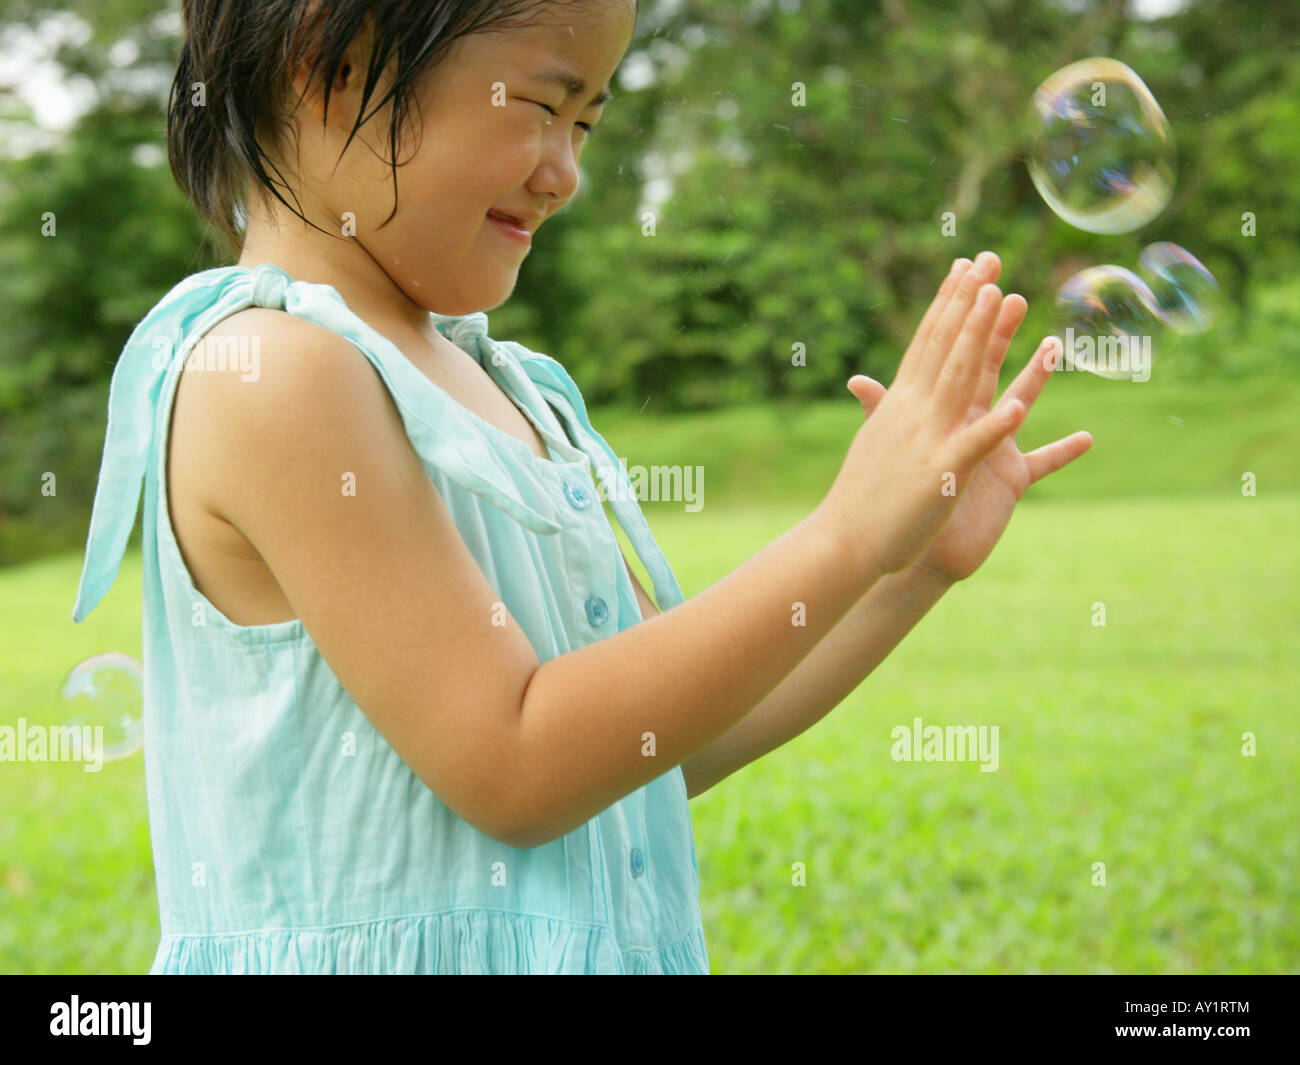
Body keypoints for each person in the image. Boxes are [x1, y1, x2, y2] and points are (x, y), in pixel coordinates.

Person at [71, 0, 1091, 974]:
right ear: (332, 69)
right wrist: (844, 535)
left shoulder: (503, 386)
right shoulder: (275, 372)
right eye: (544, 108)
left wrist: (906, 570)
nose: (565, 173)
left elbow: (658, 742)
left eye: (589, 123)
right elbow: (517, 763)